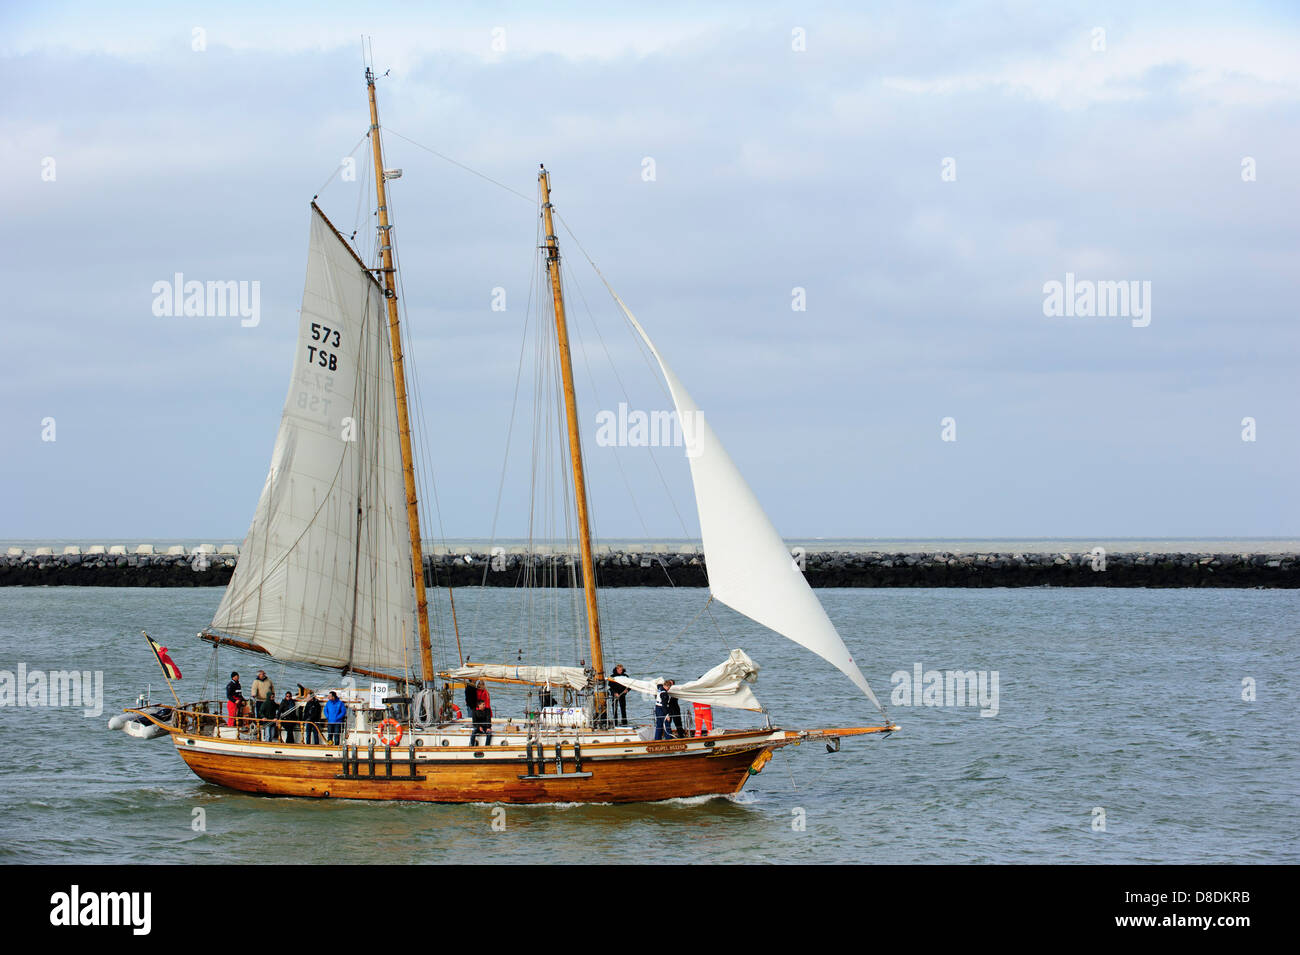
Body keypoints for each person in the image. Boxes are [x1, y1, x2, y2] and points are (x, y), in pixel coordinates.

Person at [470, 680, 492, 746]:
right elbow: (474, 721)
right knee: (473, 732)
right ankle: (471, 745)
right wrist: (479, 727)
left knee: (489, 733)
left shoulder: (487, 710)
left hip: (485, 726)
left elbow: (488, 720)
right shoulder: (475, 711)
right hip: (479, 726)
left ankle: (486, 746)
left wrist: (488, 727)